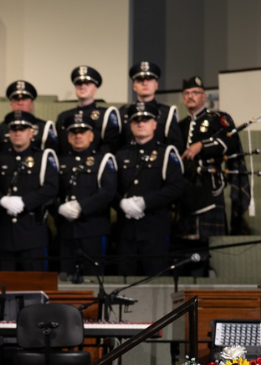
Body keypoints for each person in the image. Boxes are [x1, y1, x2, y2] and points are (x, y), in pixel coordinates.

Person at [177, 75, 248, 250]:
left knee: (211, 245)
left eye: (195, 92)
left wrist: (202, 145)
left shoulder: (218, 118)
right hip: (185, 188)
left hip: (211, 186)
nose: (190, 96)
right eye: (187, 93)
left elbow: (231, 142)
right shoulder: (180, 125)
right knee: (185, 244)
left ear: (204, 96)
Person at [114, 102, 184, 276]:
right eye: (136, 121)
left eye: (145, 120)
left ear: (154, 124)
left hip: (155, 228)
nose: (140, 124)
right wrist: (121, 203)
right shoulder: (120, 154)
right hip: (126, 230)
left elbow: (176, 187)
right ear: (131, 126)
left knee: (157, 279)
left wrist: (145, 202)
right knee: (124, 280)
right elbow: (110, 189)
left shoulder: (166, 153)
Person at [0, 111, 60, 272]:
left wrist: (25, 202)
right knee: (5, 282)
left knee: (35, 282)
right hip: (6, 231)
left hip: (33, 231)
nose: (17, 133)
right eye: (14, 129)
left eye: (22, 129)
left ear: (31, 133)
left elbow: (51, 187)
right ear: (9, 133)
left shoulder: (42, 158)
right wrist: (2, 200)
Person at [56, 109, 118, 281]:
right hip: (66, 230)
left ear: (91, 136)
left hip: (93, 230)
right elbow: (51, 191)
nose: (78, 136)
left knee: (94, 279)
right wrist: (59, 208)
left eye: (82, 132)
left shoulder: (103, 160)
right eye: (73, 132)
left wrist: (81, 207)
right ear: (68, 137)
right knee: (65, 280)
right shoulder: (60, 161)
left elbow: (108, 191)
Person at [55, 65, 121, 156]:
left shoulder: (106, 115)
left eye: (87, 84)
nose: (82, 87)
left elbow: (111, 145)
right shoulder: (64, 117)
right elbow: (60, 146)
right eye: (79, 84)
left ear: (95, 88)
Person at [120, 62, 184, 151]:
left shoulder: (166, 113)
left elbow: (176, 147)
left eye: (149, 79)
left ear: (156, 85)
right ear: (134, 86)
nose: (145, 83)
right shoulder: (124, 112)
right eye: (140, 80)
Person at [1, 80, 56, 153]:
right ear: (11, 105)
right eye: (16, 99)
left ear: (32, 104)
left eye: (24, 99)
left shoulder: (44, 127)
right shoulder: (2, 128)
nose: (20, 103)